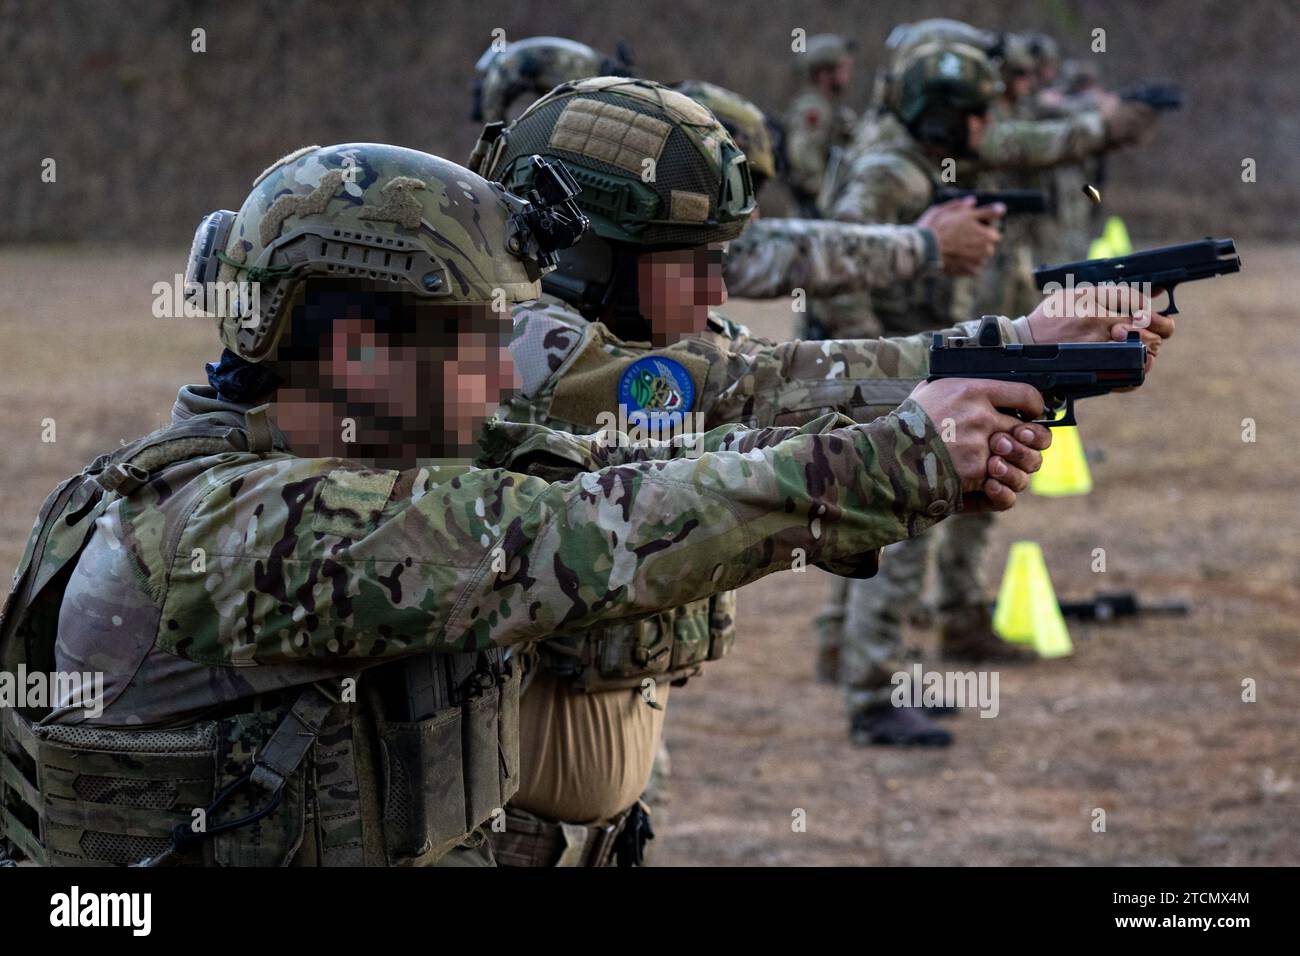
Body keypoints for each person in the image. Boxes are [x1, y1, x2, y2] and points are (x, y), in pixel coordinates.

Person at [0, 142, 1034, 867]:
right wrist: (899, 459)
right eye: (481, 340)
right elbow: (576, 532)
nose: (508, 375)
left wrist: (928, 433)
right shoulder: (239, 527)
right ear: (358, 351)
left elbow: (630, 463)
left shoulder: (361, 457)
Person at [470, 76, 1168, 864]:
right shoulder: (528, 352)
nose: (719, 287)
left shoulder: (605, 337)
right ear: (588, 252)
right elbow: (728, 422)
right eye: (690, 262)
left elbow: (766, 380)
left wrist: (1015, 348)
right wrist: (919, 448)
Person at [813, 32, 1159, 747]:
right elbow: (833, 273)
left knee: (887, 526)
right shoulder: (889, 172)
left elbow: (1026, 142)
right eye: (973, 115)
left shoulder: (918, 155)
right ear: (938, 115)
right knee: (898, 530)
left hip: (919, 361)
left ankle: (860, 661)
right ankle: (873, 693)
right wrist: (872, 373)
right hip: (896, 375)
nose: (984, 128)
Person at [783, 33, 858, 217]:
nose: (848, 73)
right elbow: (803, 157)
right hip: (815, 212)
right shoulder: (813, 109)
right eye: (842, 67)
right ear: (824, 74)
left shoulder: (830, 109)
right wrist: (820, 193)